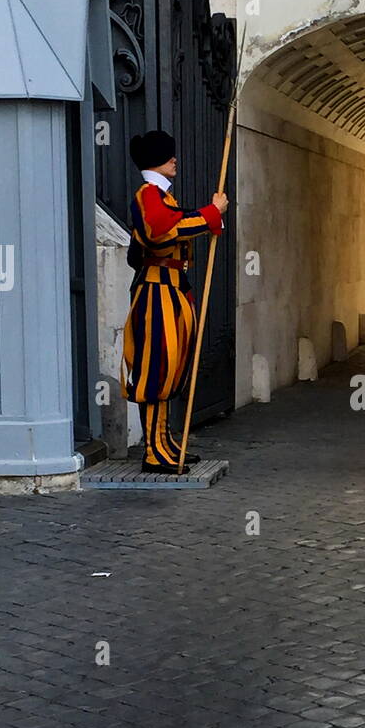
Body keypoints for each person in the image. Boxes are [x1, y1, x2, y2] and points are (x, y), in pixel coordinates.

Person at [121, 130, 228, 473]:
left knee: (172, 369)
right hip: (156, 291)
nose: (174, 160)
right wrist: (210, 213)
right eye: (168, 156)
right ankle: (153, 451)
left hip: (172, 289)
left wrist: (207, 215)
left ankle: (164, 442)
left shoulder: (162, 196)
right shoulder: (148, 195)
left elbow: (176, 223)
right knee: (157, 371)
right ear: (156, 160)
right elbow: (160, 231)